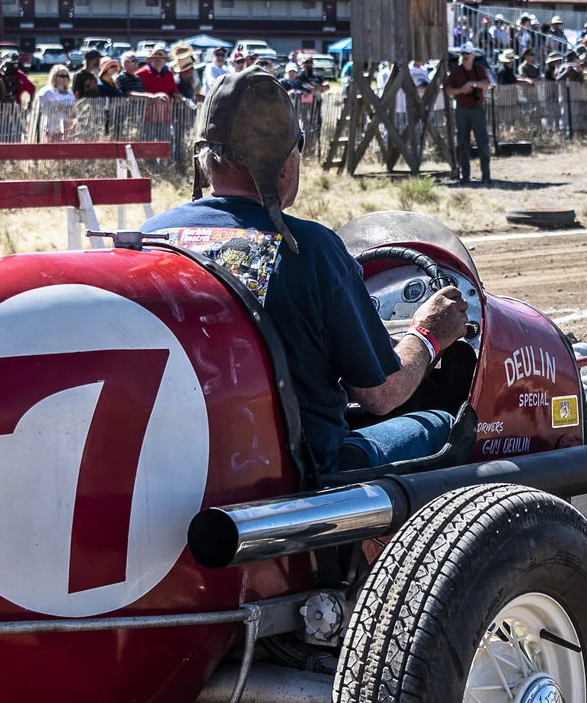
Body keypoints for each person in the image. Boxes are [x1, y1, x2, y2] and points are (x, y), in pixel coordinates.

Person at [143, 71, 467, 477]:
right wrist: (427, 333)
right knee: (444, 424)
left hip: (187, 468)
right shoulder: (310, 250)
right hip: (302, 471)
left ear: (204, 158)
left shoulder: (149, 238)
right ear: (283, 161)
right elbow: (382, 394)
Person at [442, 44, 492, 186]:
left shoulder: (480, 69)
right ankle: (465, 176)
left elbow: (486, 84)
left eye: (468, 54)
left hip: (477, 109)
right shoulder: (456, 71)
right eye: (463, 53)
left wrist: (473, 84)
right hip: (462, 109)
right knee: (463, 144)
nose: (465, 56)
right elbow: (449, 90)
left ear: (473, 56)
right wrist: (461, 90)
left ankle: (486, 176)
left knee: (483, 143)